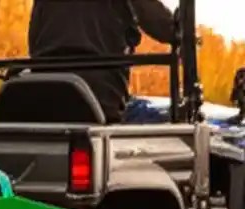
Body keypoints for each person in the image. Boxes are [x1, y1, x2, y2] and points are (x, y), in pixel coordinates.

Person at [28, 0, 176, 123]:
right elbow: (164, 25)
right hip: (102, 100)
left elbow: (33, 43)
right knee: (173, 115)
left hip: (45, 96)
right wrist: (183, 30)